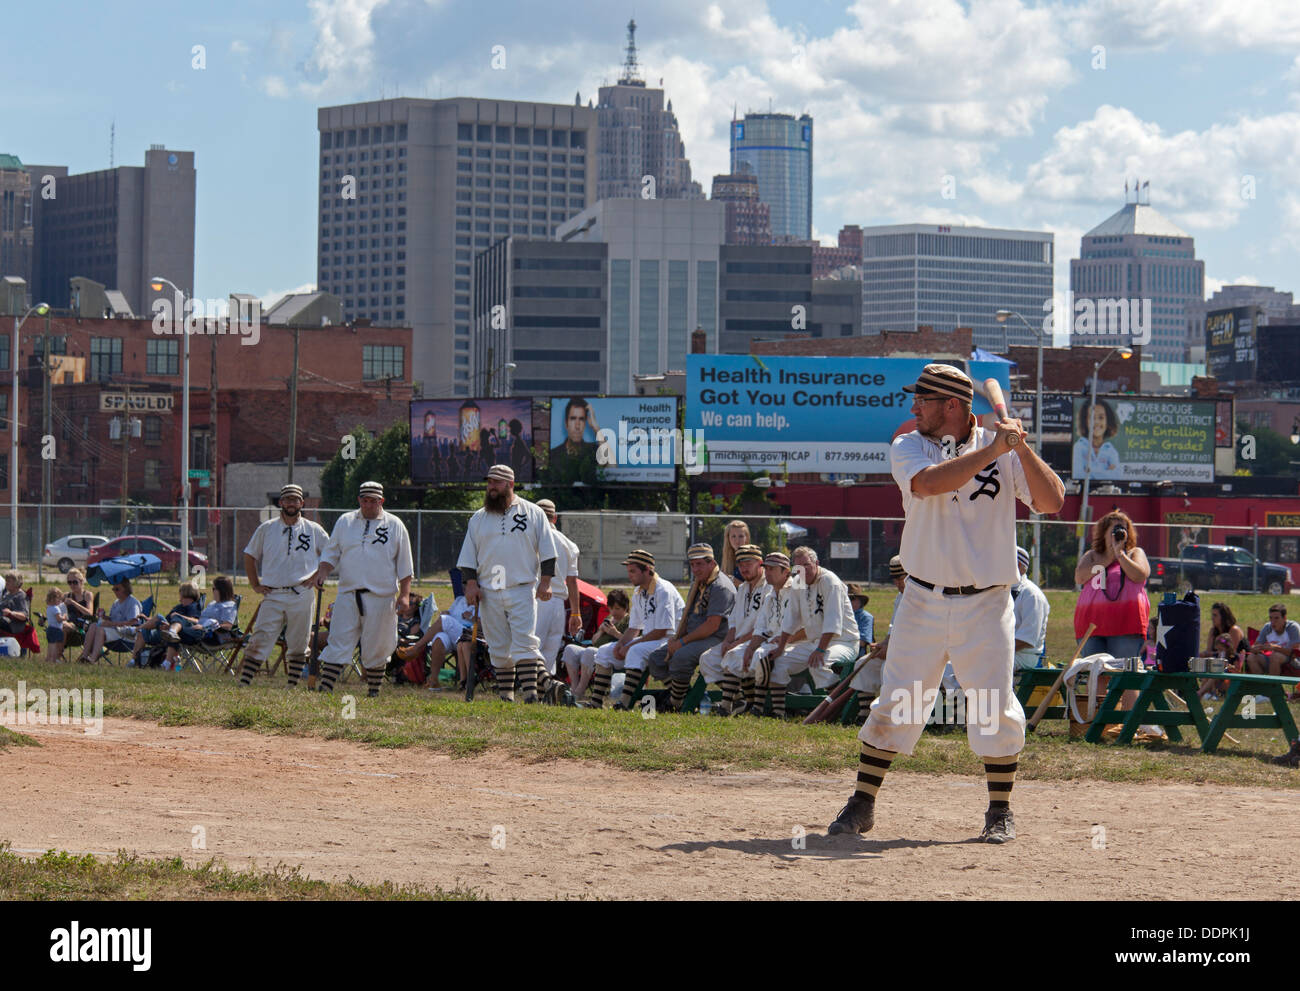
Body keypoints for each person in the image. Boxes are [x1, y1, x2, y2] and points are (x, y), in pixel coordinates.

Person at [828, 363, 1065, 844]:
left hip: (987, 602)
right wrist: (995, 450)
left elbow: (1052, 501)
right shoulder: (908, 445)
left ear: (951, 406)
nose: (913, 408)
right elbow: (930, 484)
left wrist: (1020, 447)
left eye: (923, 400)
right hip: (922, 597)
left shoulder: (1003, 447)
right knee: (899, 701)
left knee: (994, 705)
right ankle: (863, 803)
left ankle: (999, 811)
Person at [456, 465, 556, 703]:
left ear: (510, 484)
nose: (491, 487)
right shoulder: (478, 518)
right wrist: (471, 584)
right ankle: (506, 696)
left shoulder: (533, 513)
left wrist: (546, 582)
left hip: (521, 588)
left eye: (497, 483)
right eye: (489, 482)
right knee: (498, 646)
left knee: (524, 641)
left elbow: (548, 552)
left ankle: (531, 695)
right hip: (489, 591)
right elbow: (469, 556)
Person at [311, 481, 414, 698]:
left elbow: (405, 565)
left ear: (381, 501)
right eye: (365, 500)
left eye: (373, 501)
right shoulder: (345, 522)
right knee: (338, 639)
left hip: (381, 596)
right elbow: (331, 553)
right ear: (359, 500)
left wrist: (404, 595)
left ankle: (373, 691)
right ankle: (326, 688)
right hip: (348, 594)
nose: (368, 505)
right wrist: (323, 571)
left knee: (378, 646)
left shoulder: (395, 525)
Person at [1073, 510, 1157, 732]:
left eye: (1124, 528)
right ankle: (1099, 723)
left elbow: (1140, 575)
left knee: (1127, 673)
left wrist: (1121, 555)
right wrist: (1109, 554)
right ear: (1104, 533)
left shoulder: (1135, 553)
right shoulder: (1093, 555)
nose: (1120, 532)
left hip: (1126, 623)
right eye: (1115, 529)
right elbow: (1080, 576)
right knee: (1096, 672)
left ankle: (1131, 725)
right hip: (1091, 624)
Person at [240, 483, 330, 688]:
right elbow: (249, 555)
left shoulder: (313, 529)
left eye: (295, 499)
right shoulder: (267, 528)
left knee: (299, 641)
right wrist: (255, 584)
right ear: (280, 502)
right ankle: (245, 683)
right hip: (273, 593)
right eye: (287, 499)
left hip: (302, 592)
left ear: (302, 503)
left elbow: (331, 554)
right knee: (260, 637)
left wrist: (317, 575)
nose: (291, 503)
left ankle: (292, 685)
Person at [755, 546, 858, 719]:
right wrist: (782, 646)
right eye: (798, 568)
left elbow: (833, 622)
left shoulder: (830, 581)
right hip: (814, 642)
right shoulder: (798, 582)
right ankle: (778, 712)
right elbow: (792, 618)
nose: (803, 571)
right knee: (778, 660)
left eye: (807, 565)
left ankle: (838, 709)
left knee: (818, 662)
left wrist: (820, 650)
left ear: (816, 563)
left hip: (843, 641)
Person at [582, 550, 683, 710]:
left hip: (669, 640)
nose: (629, 575)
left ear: (647, 570)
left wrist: (629, 646)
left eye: (633, 571)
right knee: (603, 652)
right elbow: (634, 627)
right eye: (628, 571)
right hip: (652, 640)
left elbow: (662, 631)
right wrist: (620, 644)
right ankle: (596, 703)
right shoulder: (638, 592)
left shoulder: (663, 590)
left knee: (635, 651)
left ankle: (624, 703)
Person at [645, 543, 736, 713]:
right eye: (692, 564)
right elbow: (688, 616)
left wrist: (681, 642)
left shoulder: (720, 586)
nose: (695, 569)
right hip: (695, 636)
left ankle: (676, 704)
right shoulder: (700, 582)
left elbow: (712, 625)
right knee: (656, 659)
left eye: (699, 564)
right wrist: (677, 638)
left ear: (712, 563)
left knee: (681, 656)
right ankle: (687, 697)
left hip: (716, 637)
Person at [698, 544, 768, 715]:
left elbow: (764, 626)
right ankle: (739, 701)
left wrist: (736, 643)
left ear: (760, 563)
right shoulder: (743, 588)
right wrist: (728, 641)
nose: (743, 568)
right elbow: (734, 620)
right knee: (707, 659)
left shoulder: (769, 587)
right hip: (738, 641)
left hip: (760, 640)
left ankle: (726, 706)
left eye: (748, 563)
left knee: (733, 656)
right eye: (740, 564)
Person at [532, 499, 583, 703]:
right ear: (555, 518)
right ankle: (544, 694)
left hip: (539, 599)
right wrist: (576, 613)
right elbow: (572, 582)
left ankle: (542, 690)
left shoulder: (533, 538)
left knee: (530, 648)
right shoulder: (569, 544)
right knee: (549, 654)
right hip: (559, 605)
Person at [738, 552, 798, 717]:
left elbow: (801, 624)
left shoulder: (795, 591)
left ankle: (759, 706)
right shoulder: (771, 593)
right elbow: (761, 626)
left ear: (786, 571)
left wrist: (784, 639)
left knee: (763, 655)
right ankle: (741, 703)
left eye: (772, 569)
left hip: (794, 641)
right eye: (766, 568)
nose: (768, 572)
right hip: (773, 641)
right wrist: (750, 646)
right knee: (742, 654)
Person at [848, 556, 907, 708]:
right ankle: (864, 714)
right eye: (894, 579)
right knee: (863, 664)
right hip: (898, 651)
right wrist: (882, 644)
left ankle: (892, 713)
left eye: (901, 578)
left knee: (887, 669)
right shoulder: (900, 597)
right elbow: (892, 630)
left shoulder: (925, 596)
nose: (897, 583)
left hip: (917, 652)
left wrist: (891, 650)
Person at [563, 588, 630, 702]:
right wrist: (601, 631)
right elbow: (594, 641)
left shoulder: (629, 620)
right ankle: (574, 687)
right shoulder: (609, 619)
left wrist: (615, 633)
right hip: (597, 650)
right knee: (570, 649)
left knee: (590, 652)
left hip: (615, 654)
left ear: (625, 607)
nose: (613, 612)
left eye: (617, 608)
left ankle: (579, 691)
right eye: (611, 608)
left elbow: (630, 641)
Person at [131, 581, 201, 667]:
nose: (180, 596)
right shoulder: (178, 607)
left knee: (159, 617)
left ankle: (133, 630)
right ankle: (133, 661)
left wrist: (178, 616)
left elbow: (196, 621)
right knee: (143, 630)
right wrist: (148, 619)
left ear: (184, 592)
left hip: (175, 633)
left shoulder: (193, 606)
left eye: (180, 592)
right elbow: (165, 619)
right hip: (163, 631)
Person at [76, 579, 143, 664]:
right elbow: (113, 619)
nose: (114, 591)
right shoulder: (116, 603)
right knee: (93, 625)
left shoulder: (133, 603)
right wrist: (105, 617)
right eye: (113, 589)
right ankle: (84, 657)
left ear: (126, 589)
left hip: (127, 635)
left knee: (100, 629)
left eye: (117, 589)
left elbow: (133, 622)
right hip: (115, 632)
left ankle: (92, 659)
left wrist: (110, 624)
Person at [1012, 546, 1049, 670]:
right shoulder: (999, 591)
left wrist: (995, 650)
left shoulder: (1032, 595)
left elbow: (1027, 639)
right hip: (1000, 653)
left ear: (1018, 565)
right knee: (953, 666)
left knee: (980, 667)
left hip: (1023, 656)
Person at [548, 398, 600, 485]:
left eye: (581, 419)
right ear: (566, 423)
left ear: (585, 423)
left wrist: (595, 427)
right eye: (573, 418)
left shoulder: (592, 450)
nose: (577, 425)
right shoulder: (554, 454)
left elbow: (612, 466)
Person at [1199, 602, 1244, 700]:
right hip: (1220, 664)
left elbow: (1231, 653)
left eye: (1215, 615)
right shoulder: (1213, 631)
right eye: (1212, 615)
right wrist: (1204, 654)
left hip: (1235, 665)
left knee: (1215, 666)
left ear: (1223, 617)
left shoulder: (1233, 630)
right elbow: (1209, 651)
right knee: (1205, 662)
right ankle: (1203, 692)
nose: (1212, 618)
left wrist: (1211, 654)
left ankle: (1202, 692)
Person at [1244, 603, 1300, 678]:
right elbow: (1255, 645)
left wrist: (1275, 648)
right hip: (1272, 659)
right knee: (1251, 657)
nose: (1273, 622)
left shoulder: (1292, 627)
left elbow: (1294, 653)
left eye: (1276, 618)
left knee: (1275, 656)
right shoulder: (1267, 627)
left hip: (1293, 661)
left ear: (1284, 618)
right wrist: (1256, 649)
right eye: (1271, 618)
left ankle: (1272, 686)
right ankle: (1261, 685)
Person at [1071, 398, 1121, 480]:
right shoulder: (1078, 447)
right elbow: (1078, 475)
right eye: (1091, 418)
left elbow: (1116, 476)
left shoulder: (1112, 451)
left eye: (1101, 418)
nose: (1096, 422)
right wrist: (1106, 472)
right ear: (1085, 421)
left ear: (1108, 421)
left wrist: (1088, 471)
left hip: (1106, 491)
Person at [62, 569, 95, 647]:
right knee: (57, 627)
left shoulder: (87, 595)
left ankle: (57, 654)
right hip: (68, 624)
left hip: (81, 627)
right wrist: (63, 604)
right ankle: (55, 655)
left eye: (75, 582)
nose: (72, 585)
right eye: (69, 582)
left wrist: (73, 603)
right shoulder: (66, 595)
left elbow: (89, 613)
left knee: (62, 627)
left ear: (81, 581)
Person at [44, 588, 73, 662]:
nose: (60, 602)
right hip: (56, 629)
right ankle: (54, 659)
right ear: (55, 599)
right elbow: (59, 619)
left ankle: (48, 658)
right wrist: (64, 617)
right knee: (56, 645)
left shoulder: (49, 608)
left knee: (50, 644)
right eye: (59, 599)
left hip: (50, 628)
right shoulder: (56, 608)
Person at [0, 571, 29, 636]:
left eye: (9, 581)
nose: (6, 583)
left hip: (13, 625)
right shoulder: (7, 594)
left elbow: (24, 616)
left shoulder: (21, 596)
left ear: (16, 583)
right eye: (6, 580)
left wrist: (11, 613)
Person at [847, 583, 873, 654]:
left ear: (860, 601)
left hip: (856, 656)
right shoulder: (840, 615)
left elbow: (862, 642)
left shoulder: (866, 617)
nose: (848, 601)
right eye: (846, 598)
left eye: (852, 599)